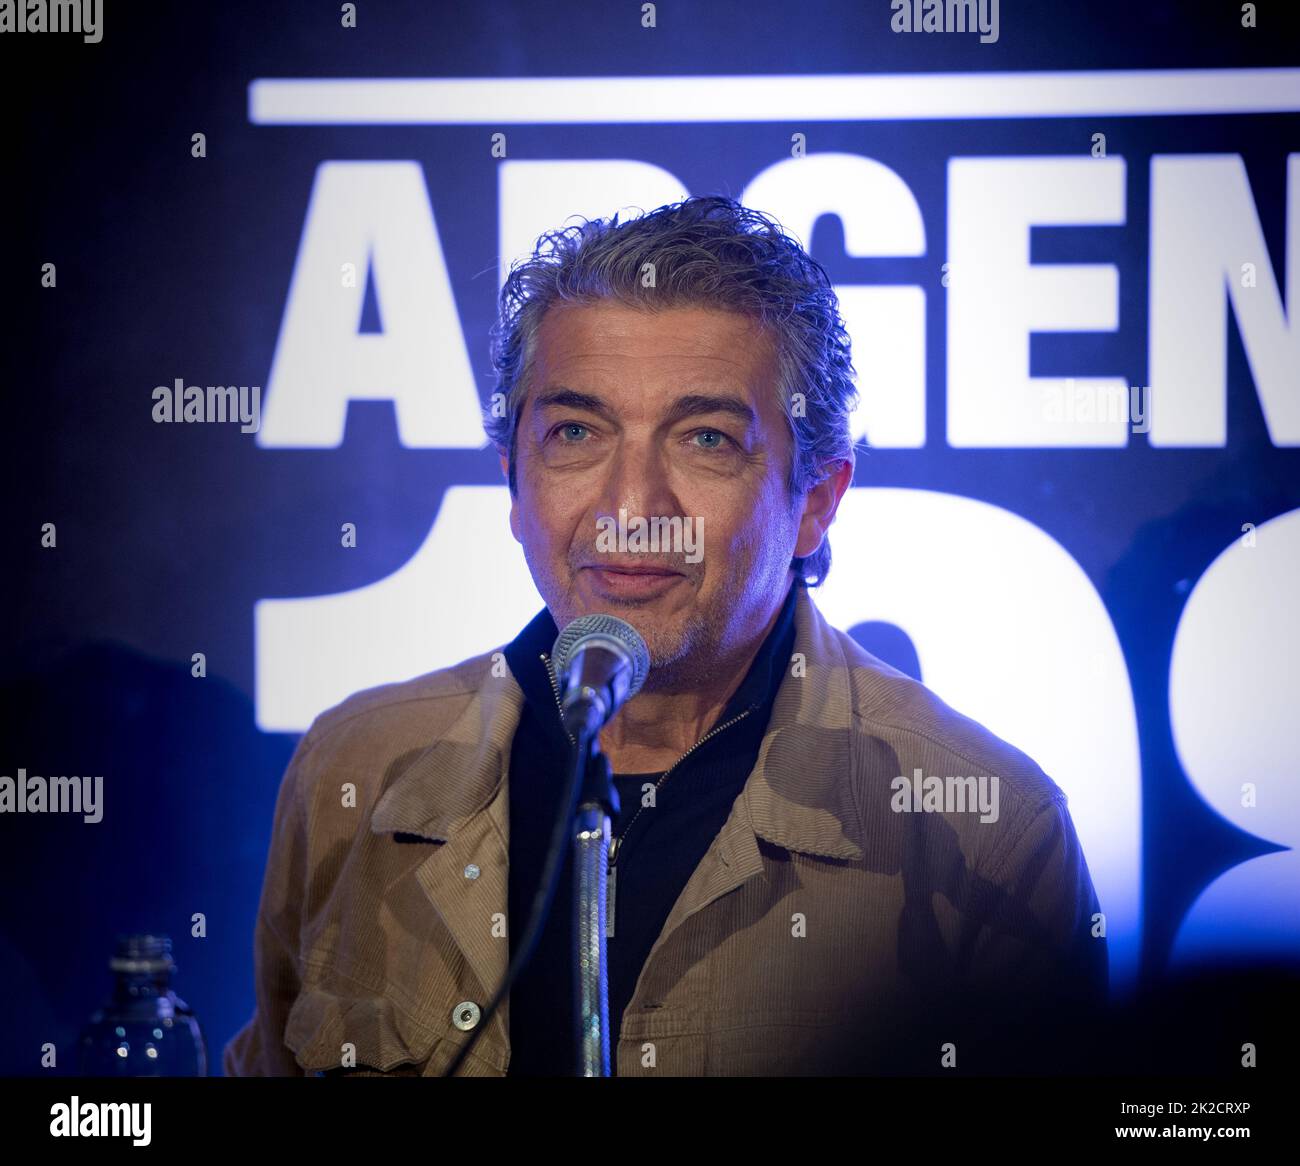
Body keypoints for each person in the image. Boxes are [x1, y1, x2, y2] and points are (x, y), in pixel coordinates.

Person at [224, 195, 1108, 1077]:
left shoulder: (983, 827)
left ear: (815, 503)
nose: (631, 509)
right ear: (514, 480)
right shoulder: (358, 766)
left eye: (706, 439)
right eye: (576, 432)